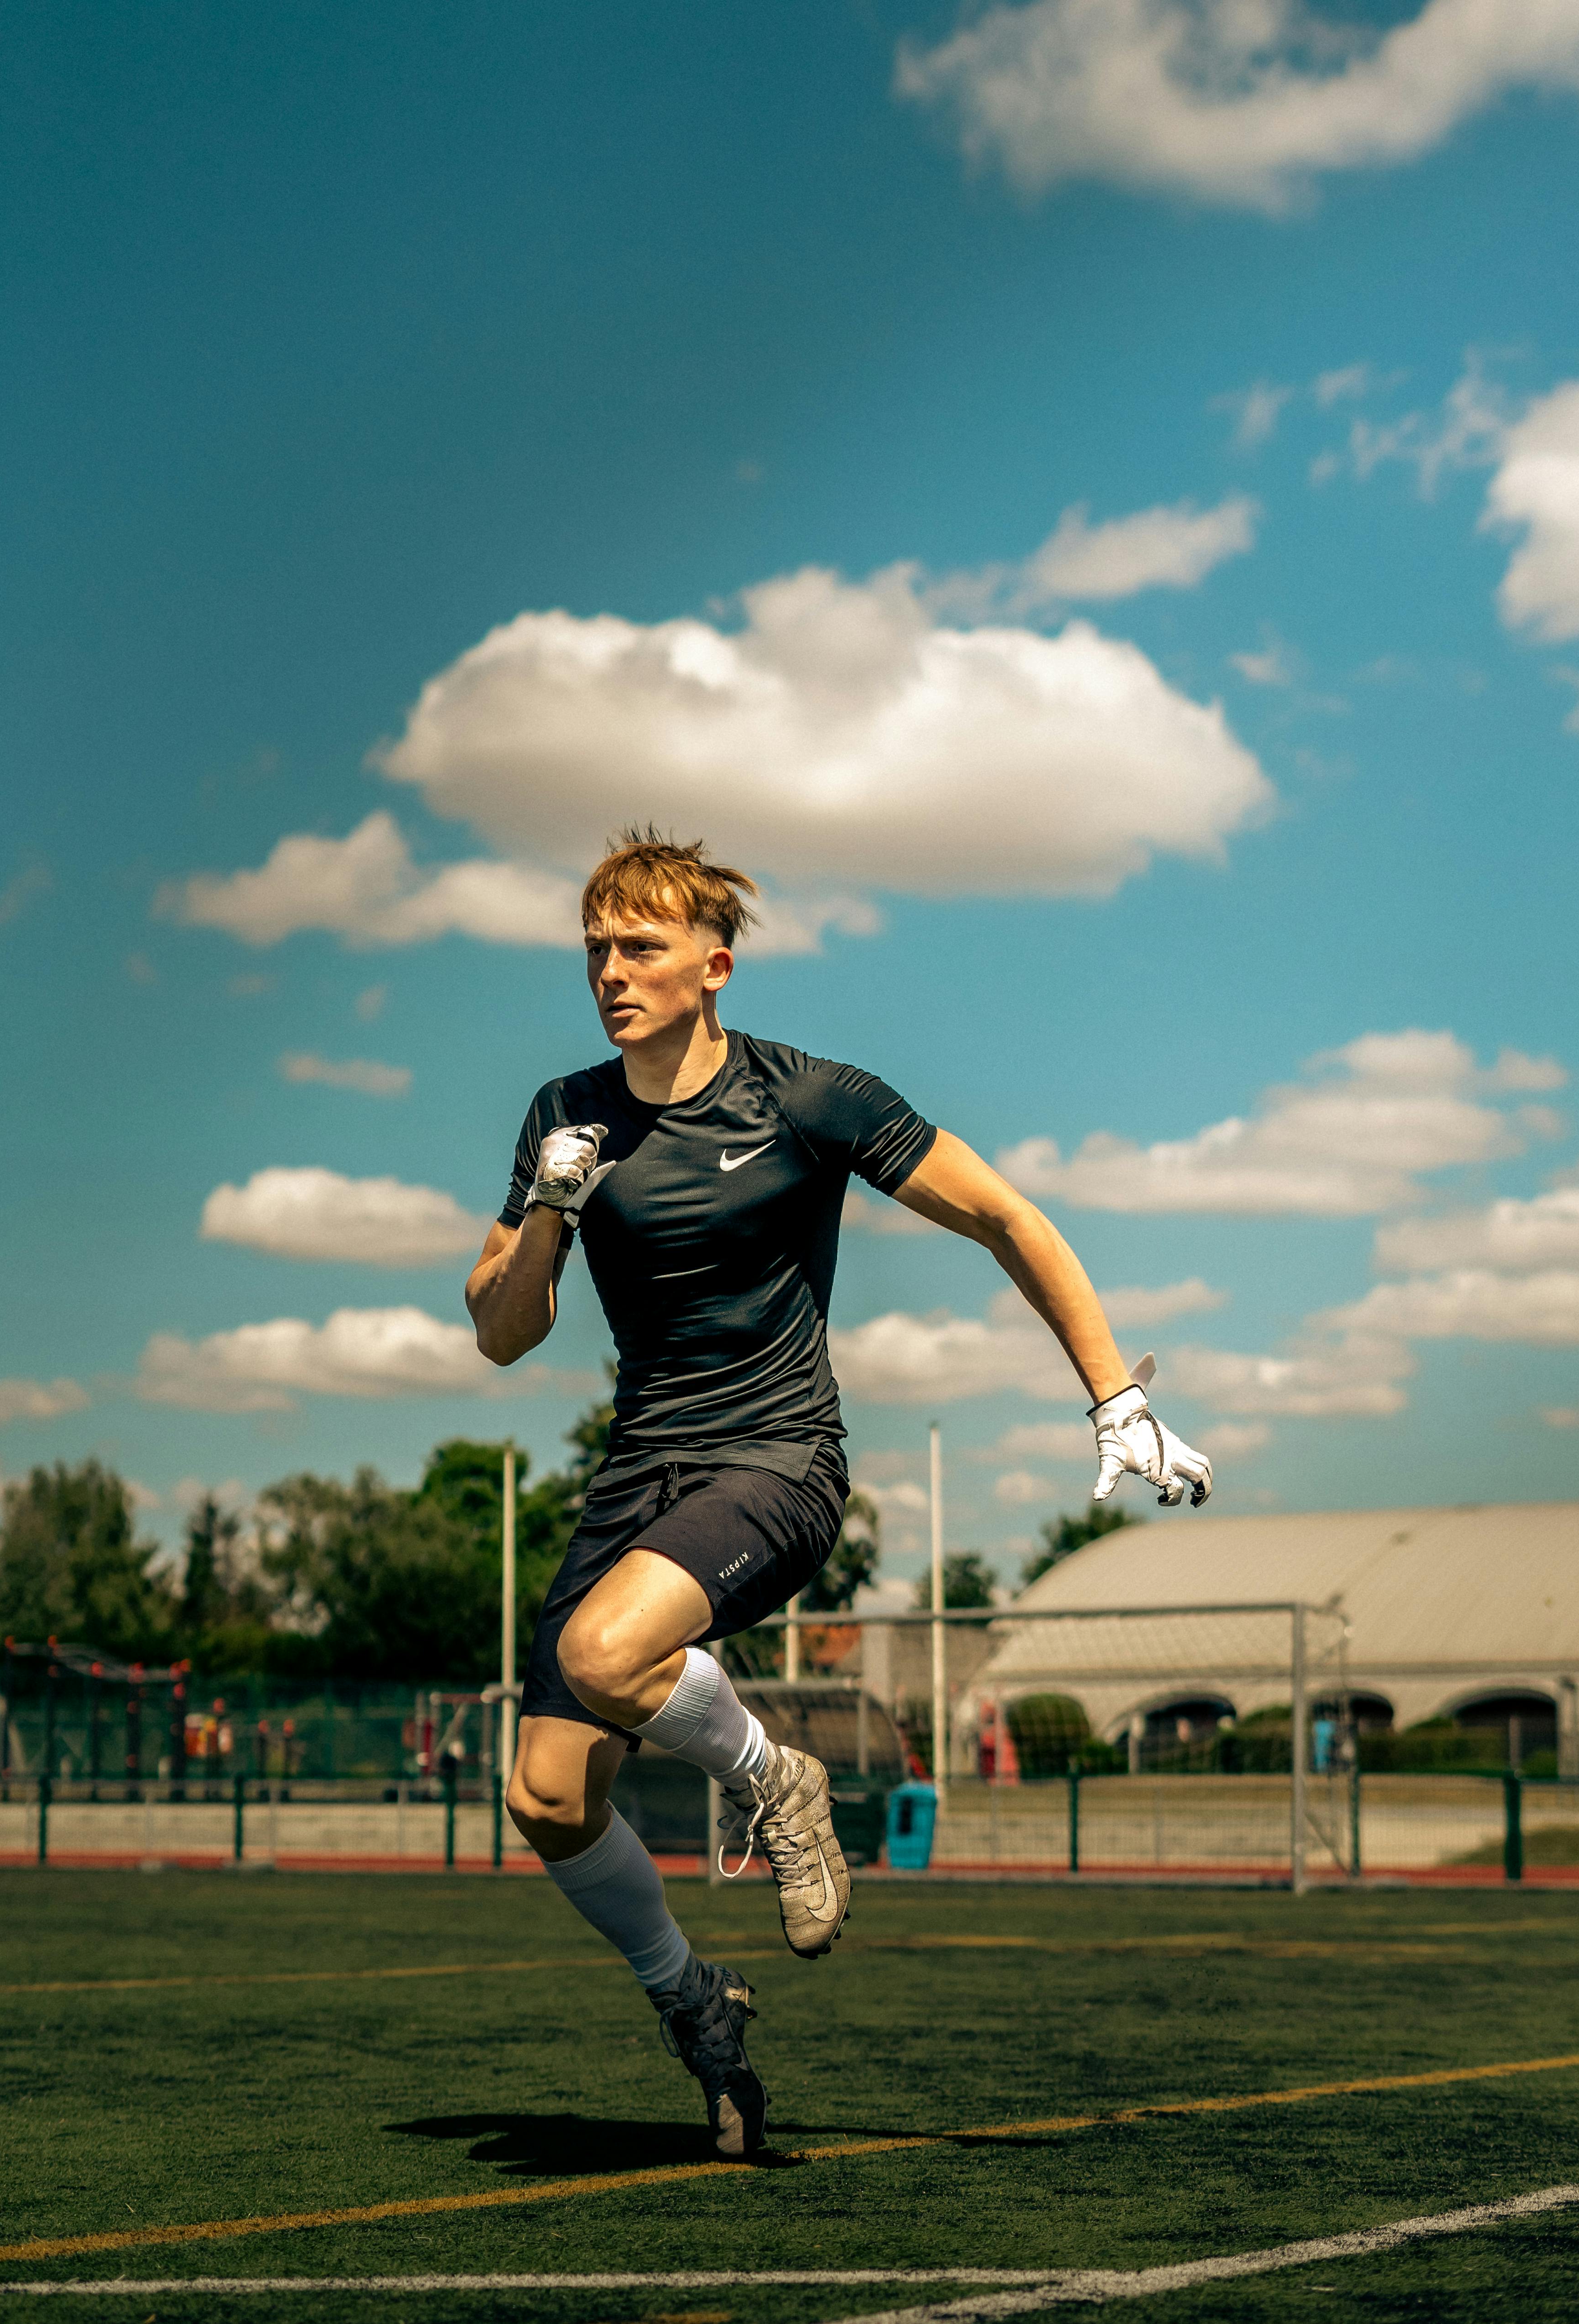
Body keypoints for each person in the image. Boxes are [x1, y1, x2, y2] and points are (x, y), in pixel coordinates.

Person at [465, 832, 1212, 2159]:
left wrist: (1115, 1396)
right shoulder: (561, 1111)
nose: (611, 972)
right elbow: (504, 1330)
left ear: (715, 964)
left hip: (779, 1458)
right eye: (595, 948)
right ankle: (697, 2004)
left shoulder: (806, 1097)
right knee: (544, 1794)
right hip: (642, 1470)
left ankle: (779, 1780)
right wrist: (550, 1209)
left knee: (604, 1647)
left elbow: (1006, 1217)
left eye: (641, 947)